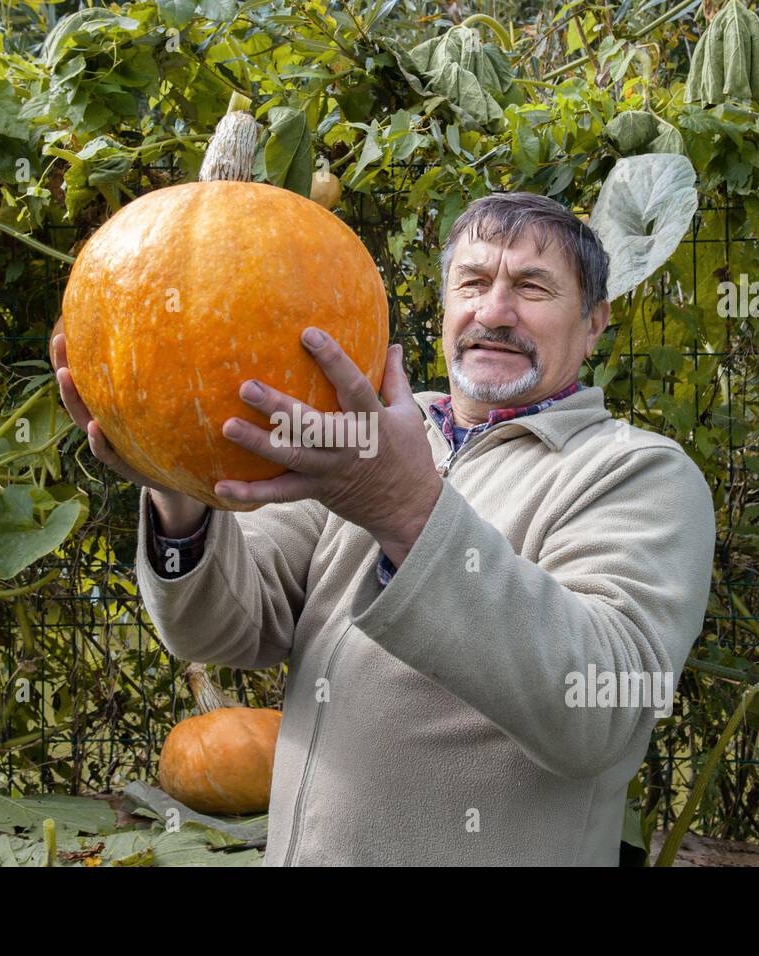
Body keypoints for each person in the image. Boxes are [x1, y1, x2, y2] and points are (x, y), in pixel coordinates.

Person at [51, 192, 715, 865]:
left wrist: (405, 510)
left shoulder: (636, 473)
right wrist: (176, 482)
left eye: (532, 288)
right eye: (474, 283)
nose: (494, 312)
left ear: (594, 322)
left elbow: (599, 714)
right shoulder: (361, 437)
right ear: (446, 305)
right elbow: (227, 629)